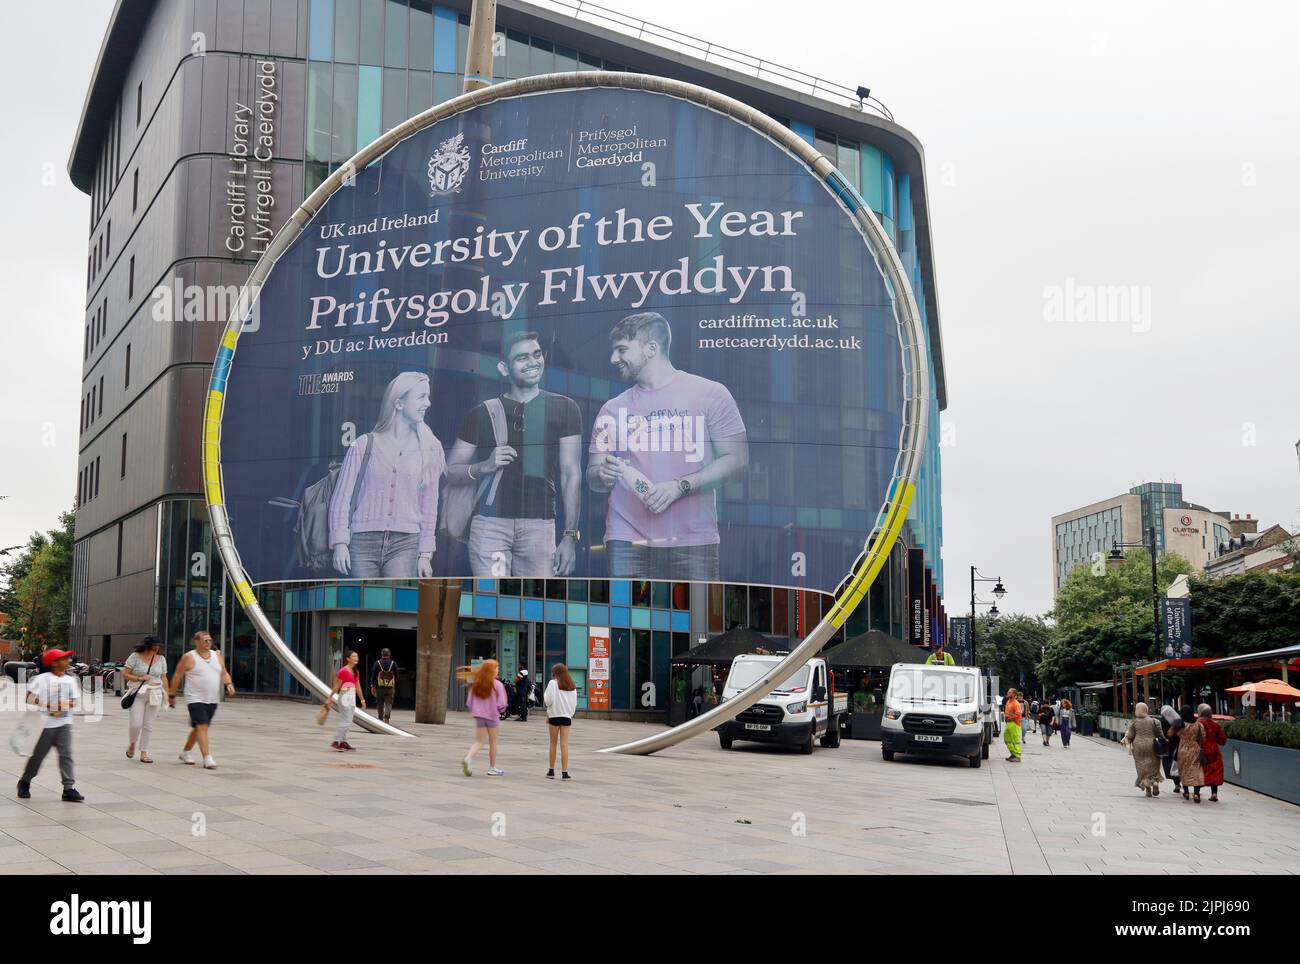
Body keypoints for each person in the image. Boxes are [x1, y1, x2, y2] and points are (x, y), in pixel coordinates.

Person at [587, 312, 749, 580]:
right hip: (627, 540)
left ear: (651, 348)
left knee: (698, 623)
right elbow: (593, 474)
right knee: (629, 622)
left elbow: (737, 460)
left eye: (622, 350)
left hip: (694, 540)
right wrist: (601, 474)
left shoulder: (711, 393)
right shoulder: (611, 409)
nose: (613, 359)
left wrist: (679, 487)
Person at [446, 332, 583, 578]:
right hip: (490, 526)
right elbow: (450, 470)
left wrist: (570, 536)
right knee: (492, 602)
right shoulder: (482, 413)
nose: (532, 361)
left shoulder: (565, 408)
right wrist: (482, 467)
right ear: (503, 367)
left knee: (538, 605)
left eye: (537, 354)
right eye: (521, 357)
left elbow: (571, 474)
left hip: (540, 527)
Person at [329, 371, 445, 579]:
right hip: (362, 541)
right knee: (363, 605)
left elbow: (429, 506)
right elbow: (342, 497)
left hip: (406, 543)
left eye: (428, 397)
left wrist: (425, 554)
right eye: (421, 397)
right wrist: (339, 542)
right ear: (399, 404)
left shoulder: (430, 448)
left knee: (396, 603)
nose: (427, 403)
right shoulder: (364, 444)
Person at [16, 649, 84, 802]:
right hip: (45, 725)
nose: (68, 660)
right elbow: (29, 698)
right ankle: (25, 781)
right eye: (64, 658)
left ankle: (68, 789)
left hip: (64, 723)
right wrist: (48, 704)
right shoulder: (41, 679)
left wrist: (67, 704)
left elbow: (75, 700)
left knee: (66, 756)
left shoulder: (70, 680)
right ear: (54, 663)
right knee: (38, 757)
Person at [168, 630, 235, 769]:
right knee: (203, 726)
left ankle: (185, 752)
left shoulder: (217, 656)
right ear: (196, 642)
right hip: (194, 698)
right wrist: (172, 695)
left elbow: (223, 672)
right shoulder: (189, 657)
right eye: (205, 640)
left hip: (212, 699)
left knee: (198, 727)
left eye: (210, 640)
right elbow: (177, 676)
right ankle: (207, 758)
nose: (208, 643)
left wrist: (228, 684)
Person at [122, 635, 167, 764]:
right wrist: (139, 678)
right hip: (138, 694)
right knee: (136, 723)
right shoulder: (135, 656)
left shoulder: (161, 659)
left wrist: (168, 695)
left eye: (158, 646)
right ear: (147, 646)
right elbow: (125, 673)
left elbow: (164, 678)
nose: (157, 648)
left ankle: (144, 752)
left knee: (149, 725)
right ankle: (132, 743)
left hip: (155, 693)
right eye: (154, 645)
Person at [462, 659, 507, 777]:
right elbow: (502, 703)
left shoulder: (476, 684)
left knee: (479, 742)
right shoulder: (498, 685)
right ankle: (492, 768)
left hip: (479, 716)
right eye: (497, 668)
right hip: (492, 716)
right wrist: (500, 711)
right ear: (492, 670)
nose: (498, 670)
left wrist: (476, 710)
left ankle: (468, 758)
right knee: (493, 742)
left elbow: (469, 702)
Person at [1122, 702, 1166, 797]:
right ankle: (1155, 782)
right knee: (1154, 765)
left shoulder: (1134, 722)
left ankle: (1148, 790)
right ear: (1146, 709)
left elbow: (1130, 735)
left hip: (1138, 746)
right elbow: (1160, 734)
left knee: (1142, 767)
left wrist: (1126, 740)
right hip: (1151, 744)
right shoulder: (1154, 721)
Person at [544, 663, 579, 780]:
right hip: (567, 717)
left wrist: (550, 711)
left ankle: (551, 770)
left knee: (553, 743)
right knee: (564, 745)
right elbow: (574, 705)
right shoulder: (572, 685)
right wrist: (568, 714)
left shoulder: (552, 683)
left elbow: (548, 701)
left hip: (554, 716)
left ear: (555, 673)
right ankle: (565, 772)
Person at [329, 649, 367, 750]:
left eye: (357, 657)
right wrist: (330, 697)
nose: (356, 658)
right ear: (348, 659)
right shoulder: (343, 671)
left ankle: (343, 742)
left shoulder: (356, 672)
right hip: (344, 697)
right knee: (347, 721)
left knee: (347, 720)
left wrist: (362, 700)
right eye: (354, 657)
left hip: (352, 697)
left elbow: (358, 686)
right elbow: (337, 686)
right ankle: (336, 741)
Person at [1197, 704, 1227, 802]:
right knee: (1215, 772)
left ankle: (1196, 792)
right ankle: (1214, 793)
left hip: (1201, 750)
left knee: (1200, 770)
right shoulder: (1215, 725)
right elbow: (1222, 740)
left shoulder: (1198, 724)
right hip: (1214, 751)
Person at [1176, 705, 1206, 802]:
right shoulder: (1198, 724)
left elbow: (1173, 734)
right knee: (1196, 770)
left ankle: (1186, 792)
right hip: (1194, 748)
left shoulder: (1180, 724)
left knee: (1183, 769)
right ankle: (1196, 794)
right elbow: (1203, 737)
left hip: (1183, 748)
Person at [370, 648, 398, 724]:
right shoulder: (393, 663)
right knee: (389, 703)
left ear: (381, 654)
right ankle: (387, 717)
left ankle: (380, 718)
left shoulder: (377, 663)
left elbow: (373, 675)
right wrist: (393, 684)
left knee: (380, 703)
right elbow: (397, 675)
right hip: (390, 687)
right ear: (389, 654)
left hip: (380, 687)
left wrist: (373, 686)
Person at [1159, 704, 1184, 791]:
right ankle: (1183, 783)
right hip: (1179, 745)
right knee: (1180, 765)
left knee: (1171, 766)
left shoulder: (1162, 720)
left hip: (1168, 746)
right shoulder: (1178, 720)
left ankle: (1176, 784)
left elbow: (1161, 734)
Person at [1003, 688, 1023, 763]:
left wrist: (1011, 717)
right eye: (1008, 692)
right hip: (1009, 723)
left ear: (1014, 694)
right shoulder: (1008, 701)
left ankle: (1017, 756)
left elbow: (1018, 714)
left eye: (1010, 692)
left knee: (1015, 740)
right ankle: (1013, 754)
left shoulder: (1016, 703)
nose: (1008, 693)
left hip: (1014, 723)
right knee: (1007, 739)